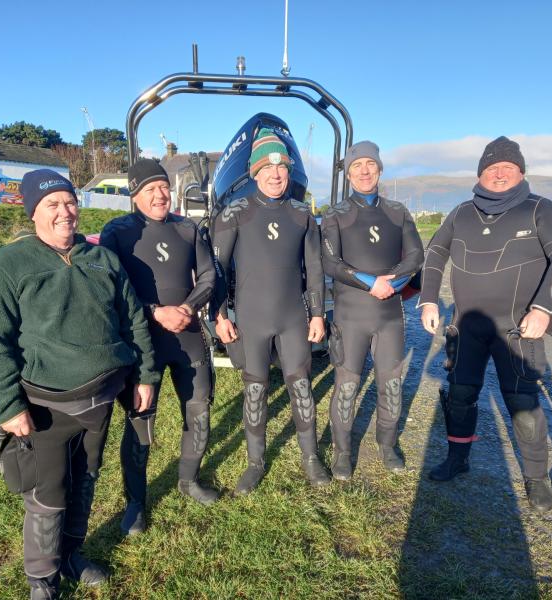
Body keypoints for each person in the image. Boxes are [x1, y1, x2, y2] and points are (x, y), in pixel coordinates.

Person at [0, 169, 158, 599]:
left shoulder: (101, 258)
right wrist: (8, 404)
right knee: (48, 491)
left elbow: (134, 322)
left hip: (101, 399)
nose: (65, 212)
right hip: (47, 405)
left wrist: (145, 373)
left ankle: (73, 554)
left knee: (86, 479)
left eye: (70, 202)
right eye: (52, 205)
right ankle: (43, 578)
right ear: (34, 211)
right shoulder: (10, 264)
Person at [419, 137, 552, 513]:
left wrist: (542, 309)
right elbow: (435, 253)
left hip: (518, 328)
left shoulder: (541, 209)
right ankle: (457, 459)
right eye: (492, 167)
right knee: (459, 396)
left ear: (522, 171)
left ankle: (536, 478)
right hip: (467, 327)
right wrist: (428, 299)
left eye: (508, 166)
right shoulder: (461, 213)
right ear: (480, 173)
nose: (500, 172)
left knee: (522, 403)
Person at [100, 158, 219, 536]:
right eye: (150, 189)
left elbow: (209, 275)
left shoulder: (187, 228)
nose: (160, 195)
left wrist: (186, 308)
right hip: (142, 340)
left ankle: (189, 479)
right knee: (141, 417)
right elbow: (111, 288)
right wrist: (155, 312)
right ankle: (135, 502)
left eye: (164, 187)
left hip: (186, 333)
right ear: (135, 194)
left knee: (199, 408)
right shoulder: (117, 232)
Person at [212, 127, 330, 494]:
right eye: (267, 169)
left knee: (300, 386)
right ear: (255, 173)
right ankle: (255, 462)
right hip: (252, 319)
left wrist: (317, 314)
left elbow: (314, 269)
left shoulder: (302, 216)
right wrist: (219, 316)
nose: (276, 176)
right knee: (255, 390)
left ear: (289, 172)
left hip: (293, 318)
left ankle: (311, 458)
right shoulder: (235, 214)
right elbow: (217, 269)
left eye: (281, 170)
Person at [321, 141, 424, 479]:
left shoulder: (397, 212)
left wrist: (390, 284)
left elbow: (414, 256)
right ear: (348, 173)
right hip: (352, 315)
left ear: (380, 169)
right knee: (347, 385)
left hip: (389, 314)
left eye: (370, 164)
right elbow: (330, 262)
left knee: (391, 384)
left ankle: (387, 444)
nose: (364, 171)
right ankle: (341, 452)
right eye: (357, 165)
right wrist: (371, 283)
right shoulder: (334, 215)